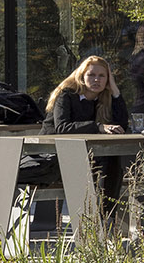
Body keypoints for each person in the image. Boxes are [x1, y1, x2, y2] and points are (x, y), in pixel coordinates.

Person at [44, 53, 131, 202]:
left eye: (102, 76)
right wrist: (98, 127)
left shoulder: (104, 98)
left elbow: (121, 125)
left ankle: (106, 217)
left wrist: (115, 91)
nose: (97, 79)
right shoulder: (66, 95)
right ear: (82, 76)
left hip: (86, 153)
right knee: (103, 165)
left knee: (113, 161)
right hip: (56, 154)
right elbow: (62, 127)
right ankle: (99, 216)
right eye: (91, 75)